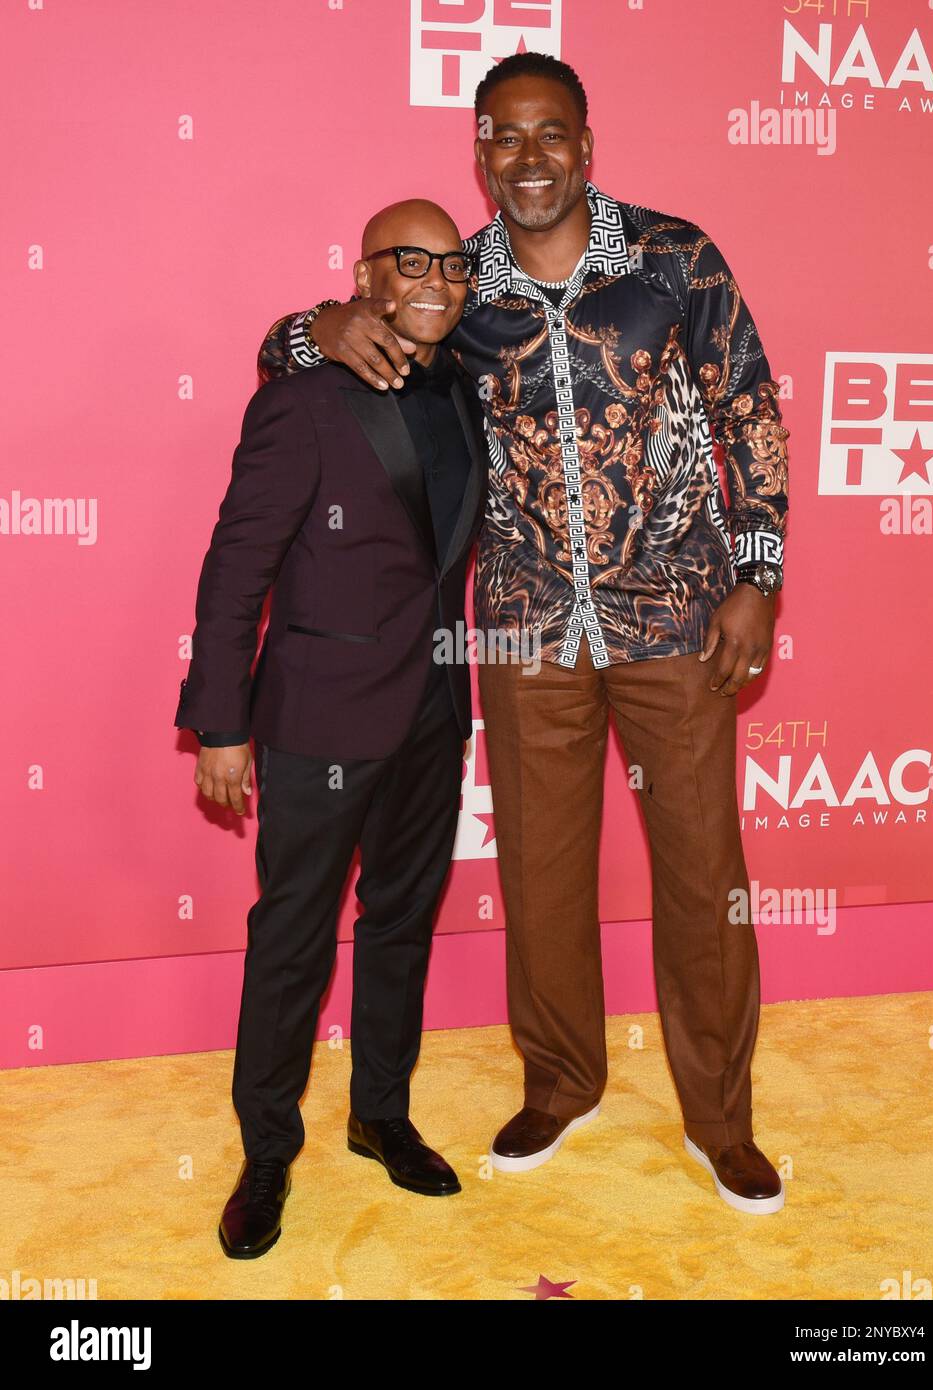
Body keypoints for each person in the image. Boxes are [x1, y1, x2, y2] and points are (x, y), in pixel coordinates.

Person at [256, 52, 791, 1215]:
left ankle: (722, 1120)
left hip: (674, 615)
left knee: (703, 875)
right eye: (505, 136)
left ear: (588, 144)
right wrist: (322, 321)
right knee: (544, 877)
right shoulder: (460, 286)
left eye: (552, 134)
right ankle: (561, 1080)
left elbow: (749, 409)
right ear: (480, 152)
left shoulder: (673, 257)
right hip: (524, 627)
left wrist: (757, 576)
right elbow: (294, 359)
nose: (530, 156)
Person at [175, 200, 489, 1257]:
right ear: (365, 275)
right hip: (319, 715)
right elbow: (235, 568)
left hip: (435, 712)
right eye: (411, 261)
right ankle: (267, 1152)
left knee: (401, 925)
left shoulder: (469, 388)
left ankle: (379, 1115)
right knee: (293, 940)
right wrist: (222, 721)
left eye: (452, 261)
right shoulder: (304, 400)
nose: (437, 279)